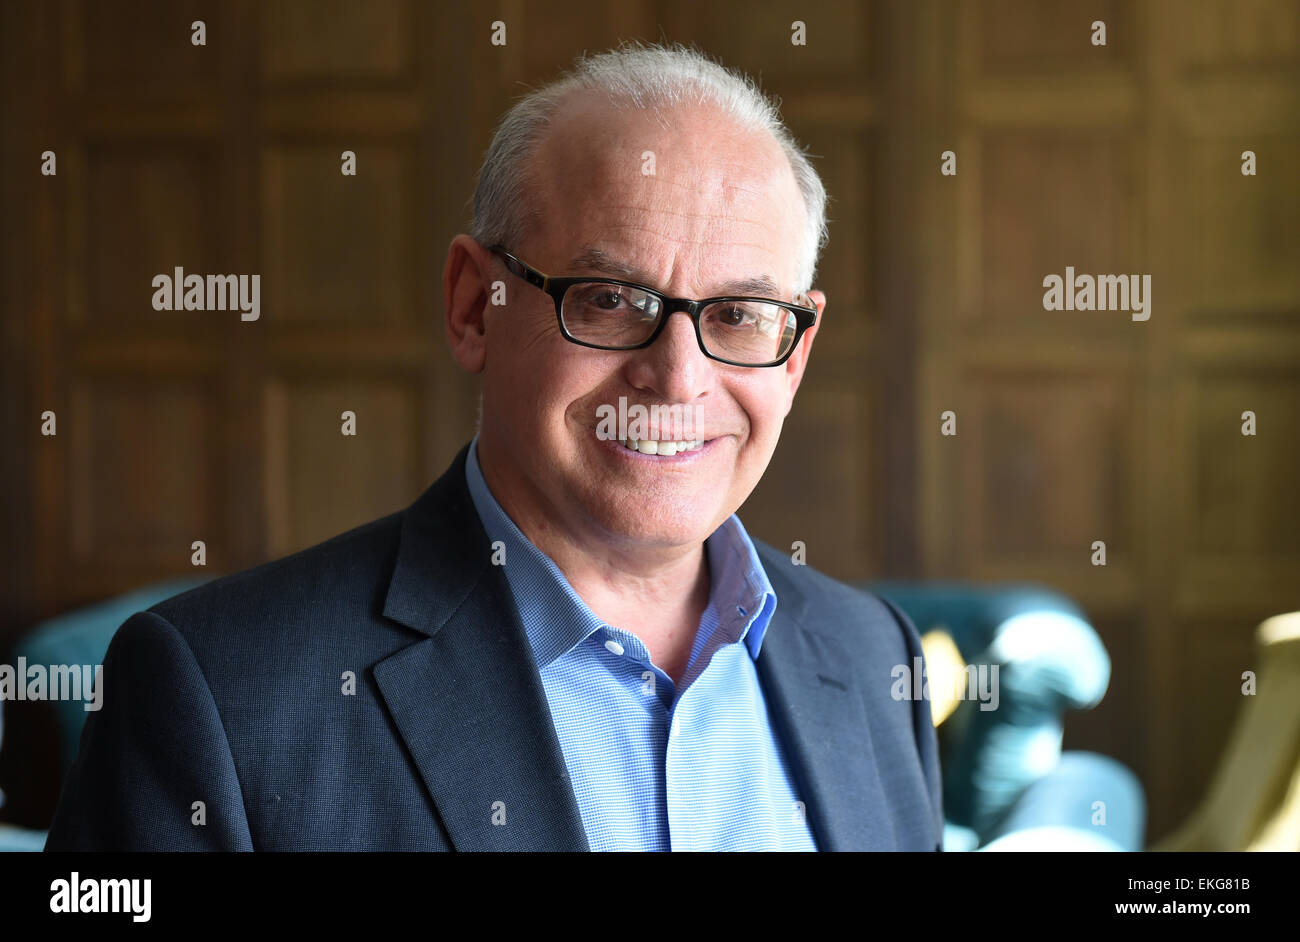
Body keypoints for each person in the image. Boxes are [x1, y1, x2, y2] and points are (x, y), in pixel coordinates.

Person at [46, 42, 941, 852]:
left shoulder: (873, 660)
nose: (677, 379)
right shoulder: (217, 696)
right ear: (475, 305)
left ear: (796, 354)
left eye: (740, 315)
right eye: (609, 299)